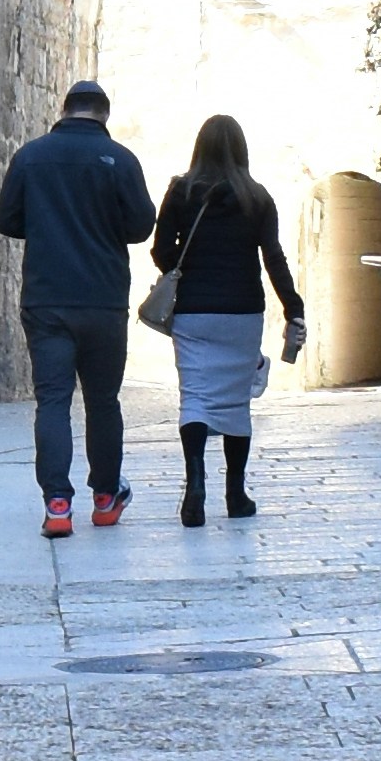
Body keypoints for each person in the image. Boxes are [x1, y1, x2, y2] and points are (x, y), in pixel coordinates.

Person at [0, 79, 156, 539]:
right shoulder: (121, 160)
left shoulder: (30, 156)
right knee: (103, 401)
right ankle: (105, 497)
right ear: (104, 114)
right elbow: (143, 225)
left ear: (64, 110)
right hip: (103, 299)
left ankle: (58, 504)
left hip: (47, 299)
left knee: (53, 401)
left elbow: (6, 220)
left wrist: (47, 225)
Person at [146, 115, 310, 530]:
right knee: (235, 404)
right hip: (242, 311)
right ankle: (235, 494)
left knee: (196, 397)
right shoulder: (257, 198)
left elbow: (161, 250)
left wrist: (183, 268)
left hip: (194, 310)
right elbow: (273, 258)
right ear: (242, 150)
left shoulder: (180, 192)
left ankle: (195, 484)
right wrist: (293, 307)